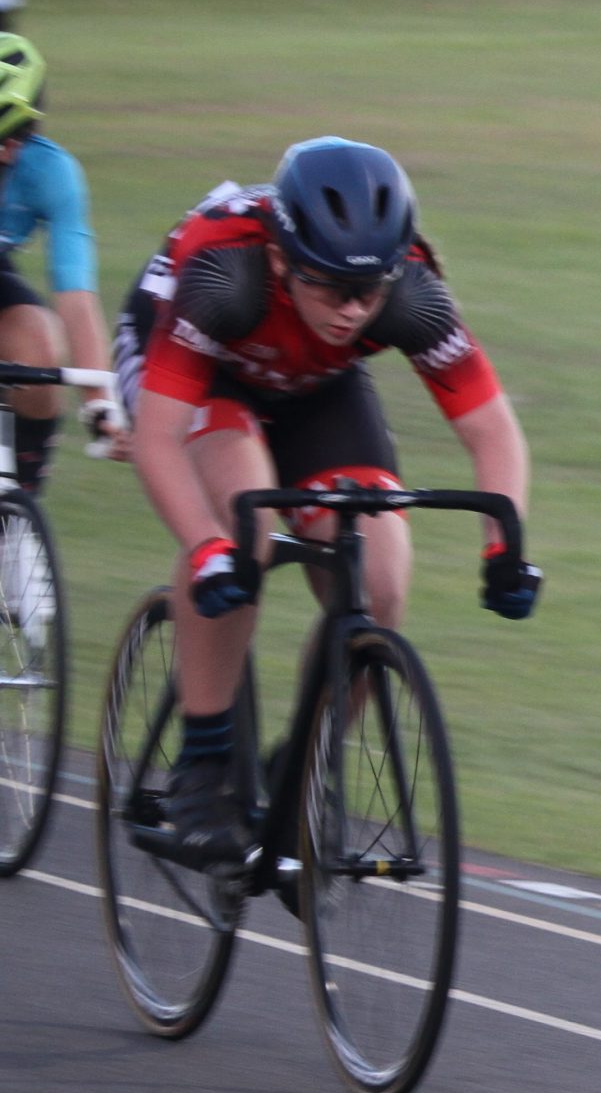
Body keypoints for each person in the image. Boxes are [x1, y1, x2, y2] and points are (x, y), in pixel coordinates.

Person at [120, 136, 542, 865]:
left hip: (312, 384)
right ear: (283, 259)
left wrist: (504, 547)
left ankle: (303, 765)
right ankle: (205, 760)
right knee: (241, 524)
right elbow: (158, 441)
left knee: (381, 584)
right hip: (196, 366)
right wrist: (208, 549)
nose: (353, 311)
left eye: (368, 291)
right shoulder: (226, 275)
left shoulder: (410, 292)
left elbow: (494, 433)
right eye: (331, 288)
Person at [0, 30, 128, 489]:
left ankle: (18, 518)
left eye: (14, 138)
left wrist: (99, 402)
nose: (6, 153)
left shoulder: (52, 174)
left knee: (37, 345)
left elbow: (76, 298)